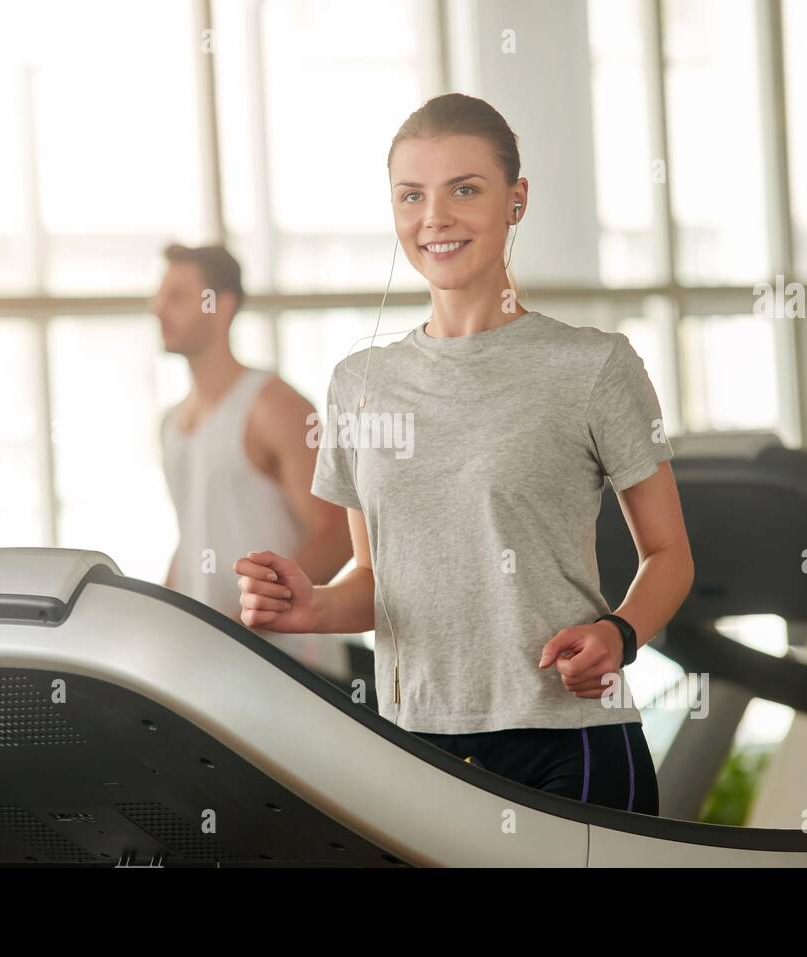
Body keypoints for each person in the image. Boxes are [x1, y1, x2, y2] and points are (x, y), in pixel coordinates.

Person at [233, 94, 694, 815]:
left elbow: (669, 555)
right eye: (411, 195)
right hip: (414, 744)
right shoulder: (359, 384)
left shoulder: (594, 367)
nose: (435, 218)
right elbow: (377, 578)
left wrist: (620, 632)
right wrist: (311, 607)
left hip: (567, 744)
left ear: (517, 201)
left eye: (465, 190)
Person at [155, 243, 352, 675]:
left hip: (290, 665)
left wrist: (252, 619)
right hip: (210, 665)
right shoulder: (171, 423)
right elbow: (193, 537)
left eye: (177, 296)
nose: (158, 309)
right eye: (159, 295)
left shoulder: (274, 406)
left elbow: (337, 534)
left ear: (220, 306)